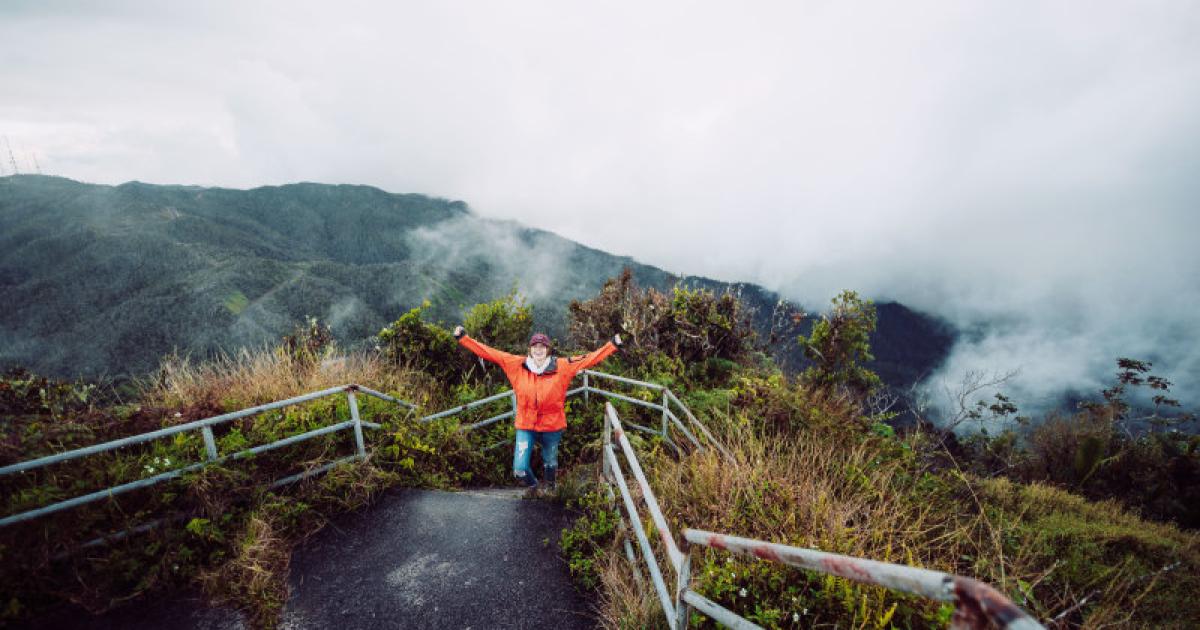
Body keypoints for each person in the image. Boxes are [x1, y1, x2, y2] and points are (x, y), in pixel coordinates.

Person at [454, 326, 621, 497]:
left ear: (548, 350)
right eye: (535, 346)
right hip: (526, 425)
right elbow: (489, 352)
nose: (539, 350)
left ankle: (550, 487)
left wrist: (613, 345)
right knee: (519, 469)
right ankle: (534, 487)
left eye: (542, 347)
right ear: (530, 349)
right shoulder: (516, 364)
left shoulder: (561, 366)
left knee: (550, 461)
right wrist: (463, 338)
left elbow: (589, 359)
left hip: (552, 426)